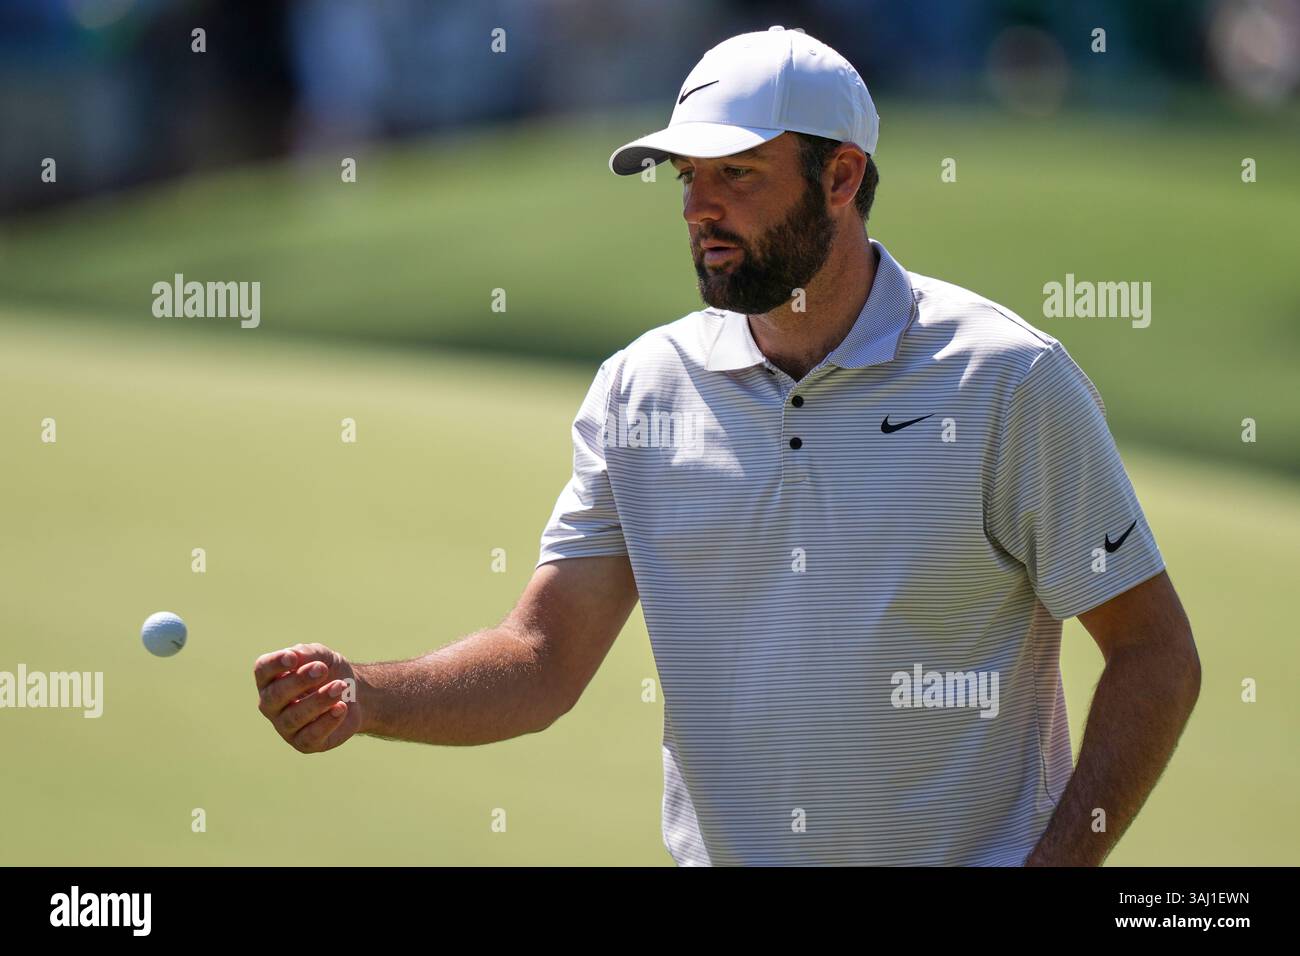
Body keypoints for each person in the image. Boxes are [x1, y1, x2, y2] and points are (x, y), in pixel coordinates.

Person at [253, 27, 1200, 866]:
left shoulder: (1006, 382)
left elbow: (1155, 654)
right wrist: (368, 697)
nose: (697, 207)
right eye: (686, 177)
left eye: (736, 173)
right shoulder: (642, 391)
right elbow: (542, 658)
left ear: (839, 177)